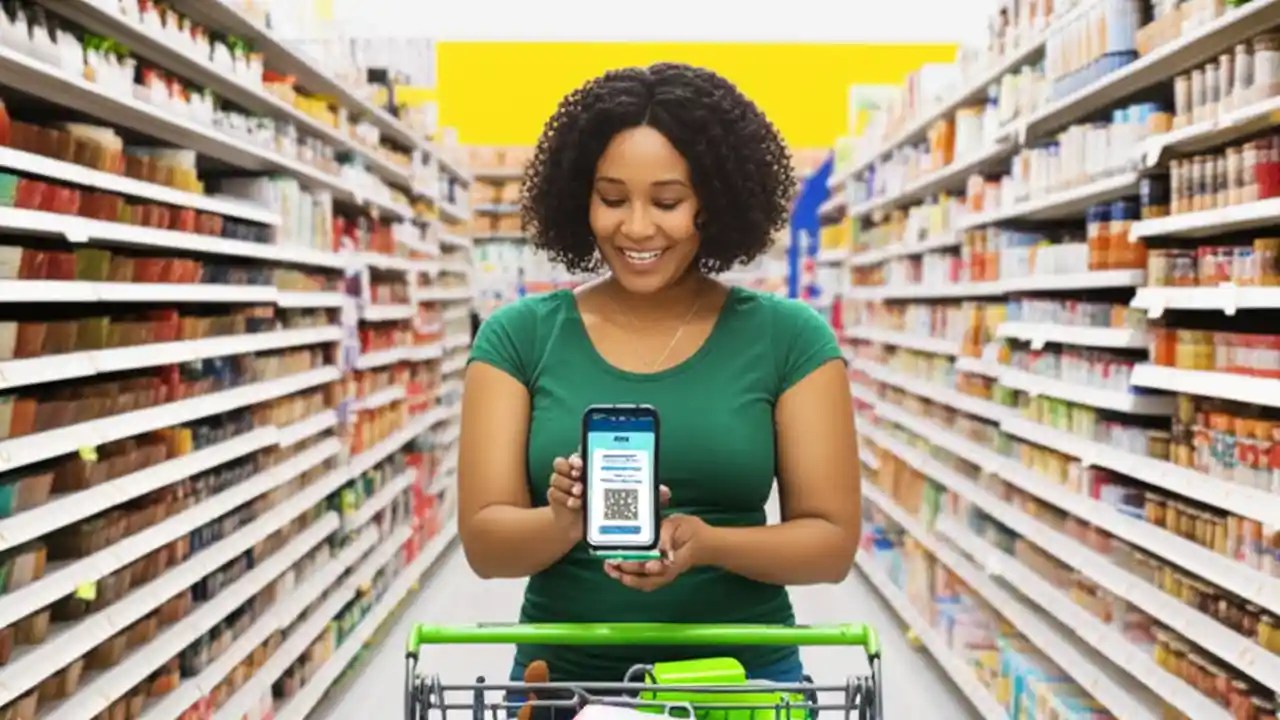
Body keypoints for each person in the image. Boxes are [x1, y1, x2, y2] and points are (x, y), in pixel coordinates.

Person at [458, 62, 862, 696]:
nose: (637, 227)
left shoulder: (790, 337)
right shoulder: (518, 337)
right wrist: (566, 521)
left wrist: (707, 544)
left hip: (742, 685)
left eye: (668, 201)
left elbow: (832, 545)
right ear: (579, 198)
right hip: (563, 684)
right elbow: (485, 546)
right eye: (612, 199)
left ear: (715, 201)